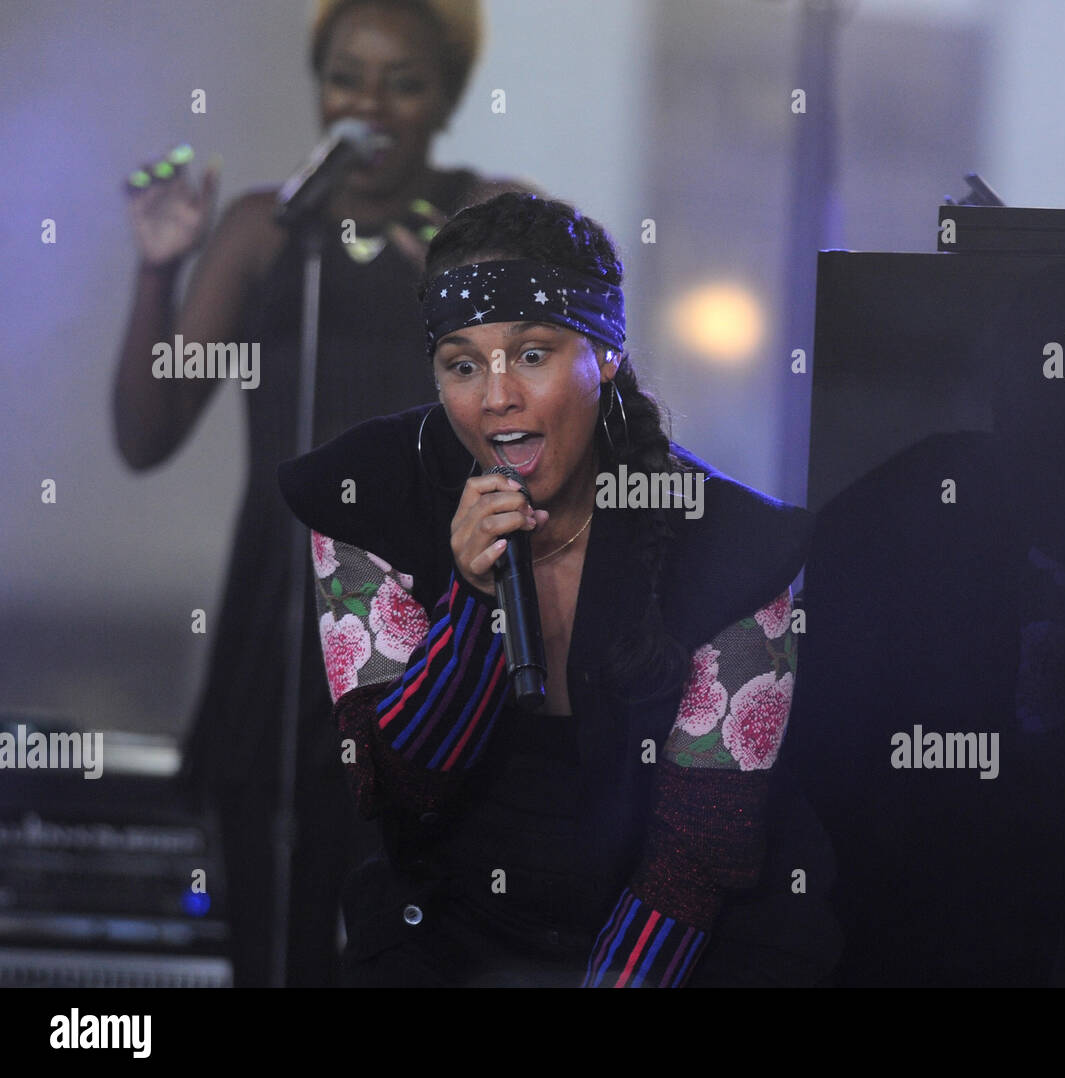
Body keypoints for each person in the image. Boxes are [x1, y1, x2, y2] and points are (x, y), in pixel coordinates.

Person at [278, 192, 842, 986]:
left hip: (687, 939)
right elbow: (394, 789)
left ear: (605, 355)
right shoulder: (365, 493)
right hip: (453, 920)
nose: (496, 396)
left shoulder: (737, 544)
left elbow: (702, 851)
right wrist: (474, 602)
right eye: (462, 364)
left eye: (533, 354)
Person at [111, 0, 536, 986]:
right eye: (347, 76)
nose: (369, 104)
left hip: (438, 614)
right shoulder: (273, 228)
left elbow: (546, 413)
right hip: (284, 624)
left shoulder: (488, 221)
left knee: (423, 936)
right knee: (275, 934)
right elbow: (147, 432)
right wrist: (158, 266)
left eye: (403, 81)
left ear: (447, 97)